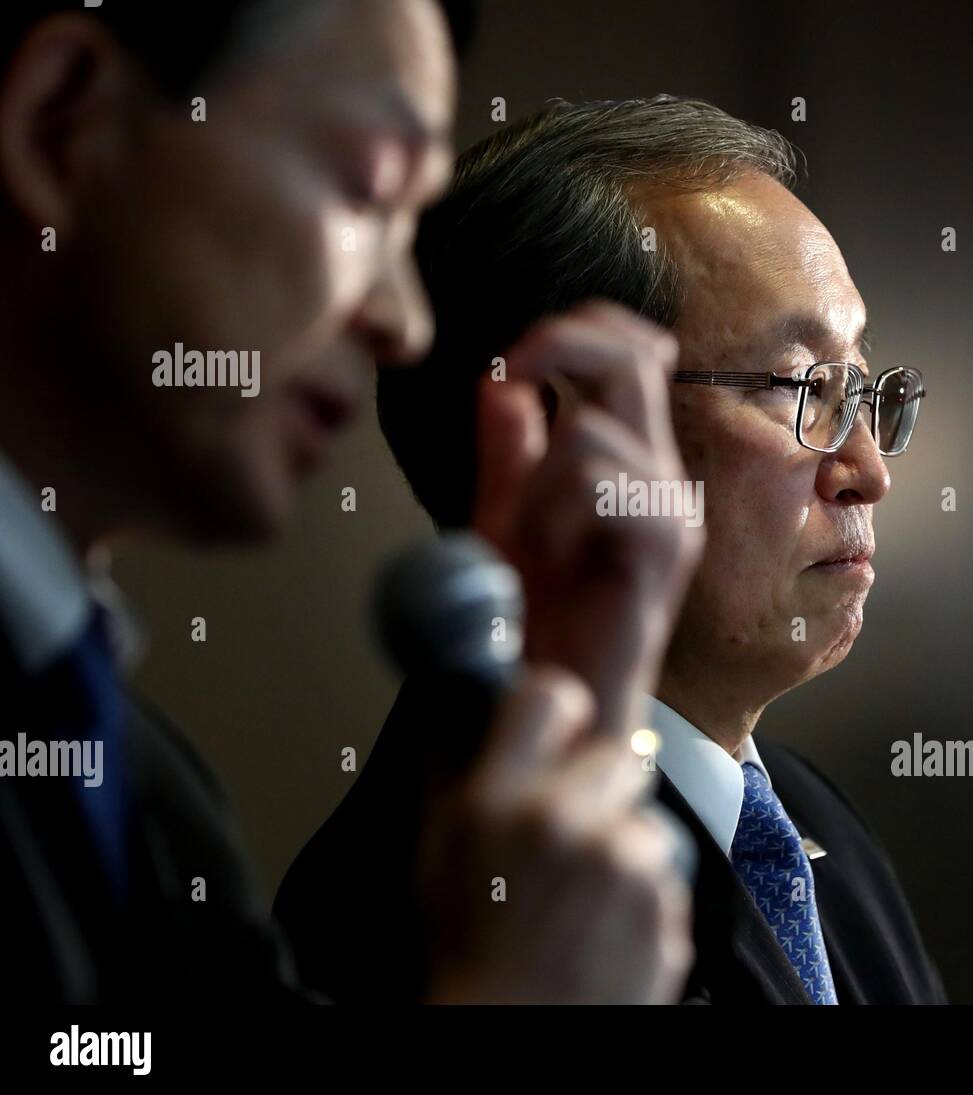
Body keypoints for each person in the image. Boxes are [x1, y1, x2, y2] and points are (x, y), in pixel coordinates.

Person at [0, 3, 699, 1004]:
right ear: (63, 124)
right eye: (366, 192)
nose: (403, 324)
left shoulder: (151, 786)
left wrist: (566, 711)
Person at [282, 96, 946, 1004]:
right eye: (805, 387)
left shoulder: (817, 823)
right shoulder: (441, 902)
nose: (867, 470)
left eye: (861, 387)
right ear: (558, 434)